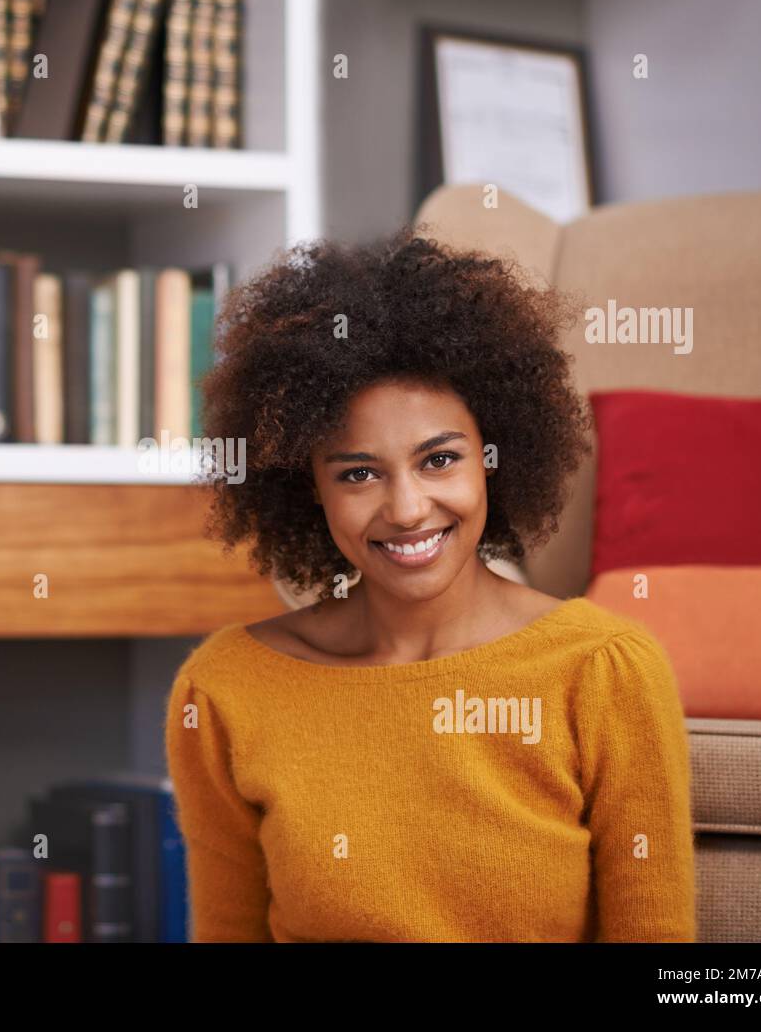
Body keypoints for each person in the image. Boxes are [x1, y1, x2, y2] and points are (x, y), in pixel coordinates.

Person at [164, 226, 697, 942]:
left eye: (439, 460)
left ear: (494, 457)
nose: (408, 508)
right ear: (307, 488)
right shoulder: (226, 689)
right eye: (358, 473)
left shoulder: (603, 671)